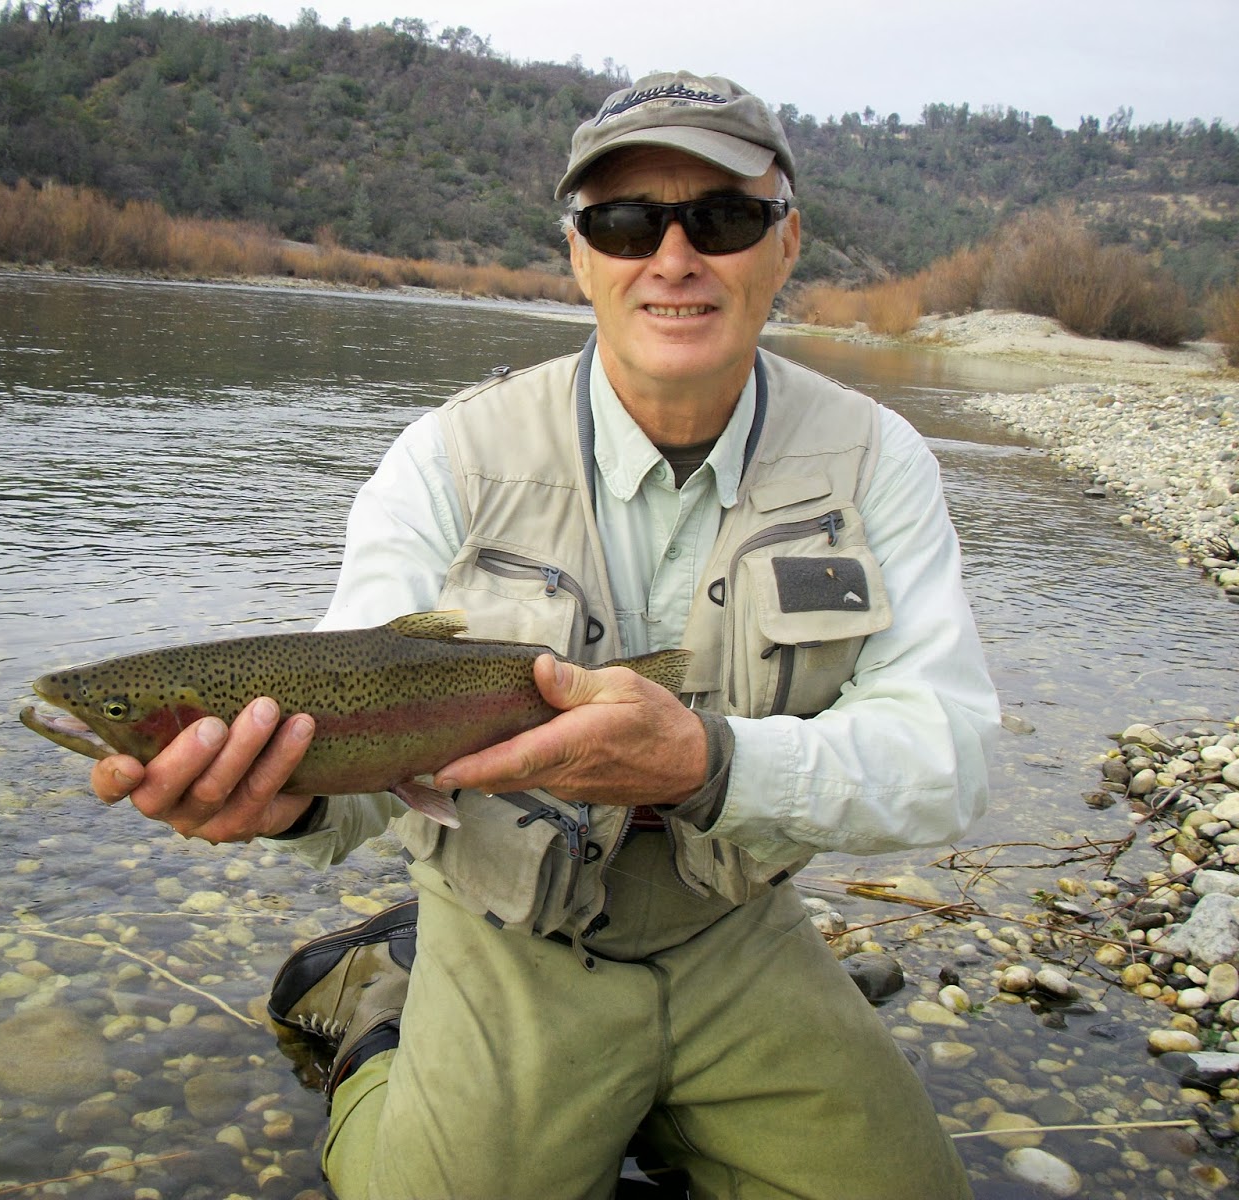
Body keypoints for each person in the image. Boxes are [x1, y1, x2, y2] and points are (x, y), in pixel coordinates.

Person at [91, 71, 1000, 1200]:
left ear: (784, 244)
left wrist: (710, 765)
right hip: (503, 934)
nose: (671, 258)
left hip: (740, 936)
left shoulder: (876, 462)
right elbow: (349, 713)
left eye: (719, 218)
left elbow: (947, 755)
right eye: (625, 222)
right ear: (579, 253)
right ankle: (383, 1015)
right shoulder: (444, 461)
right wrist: (292, 801)